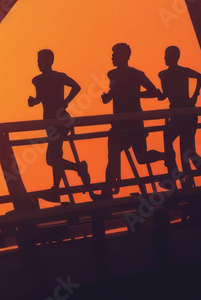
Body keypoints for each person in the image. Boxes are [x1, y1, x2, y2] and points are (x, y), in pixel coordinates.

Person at [96, 43, 168, 198]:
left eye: (115, 54)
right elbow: (112, 93)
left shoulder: (137, 75)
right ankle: (106, 193)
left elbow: (153, 91)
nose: (112, 57)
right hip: (119, 124)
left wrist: (136, 95)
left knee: (141, 157)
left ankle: (166, 156)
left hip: (134, 123)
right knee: (113, 156)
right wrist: (106, 97)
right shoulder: (112, 75)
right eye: (112, 54)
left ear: (125, 56)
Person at [28, 49, 90, 201]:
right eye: (37, 59)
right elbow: (40, 98)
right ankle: (59, 186)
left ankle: (60, 186)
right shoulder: (37, 80)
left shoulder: (59, 77)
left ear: (49, 61)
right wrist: (33, 102)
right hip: (49, 121)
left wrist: (66, 101)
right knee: (55, 157)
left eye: (40, 59)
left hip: (61, 120)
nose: (38, 62)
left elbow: (76, 86)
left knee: (53, 158)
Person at [157, 46, 201, 188]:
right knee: (170, 139)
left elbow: (200, 77)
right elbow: (165, 95)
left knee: (187, 151)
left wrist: (195, 95)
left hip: (186, 115)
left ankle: (199, 177)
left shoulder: (178, 72)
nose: (165, 58)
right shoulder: (164, 75)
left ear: (174, 57)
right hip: (178, 115)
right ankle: (175, 173)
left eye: (167, 55)